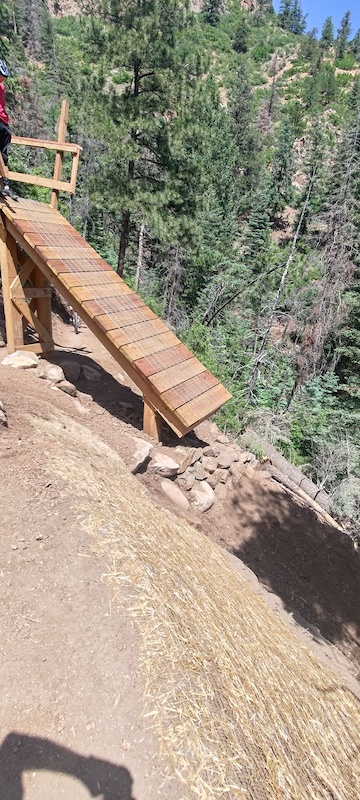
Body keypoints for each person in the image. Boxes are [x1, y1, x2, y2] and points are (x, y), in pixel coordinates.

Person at [0, 58, 17, 199]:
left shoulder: (2, 88)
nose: (2, 80)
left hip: (3, 122)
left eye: (4, 78)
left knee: (4, 154)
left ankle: (5, 185)